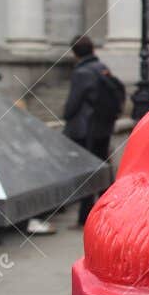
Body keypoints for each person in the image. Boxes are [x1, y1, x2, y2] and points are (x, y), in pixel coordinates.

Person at [63, 35, 126, 226]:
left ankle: (86, 216)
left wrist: (66, 115)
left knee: (87, 173)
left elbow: (72, 105)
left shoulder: (81, 72)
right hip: (102, 127)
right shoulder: (102, 69)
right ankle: (112, 213)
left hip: (85, 130)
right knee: (102, 171)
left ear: (75, 53)